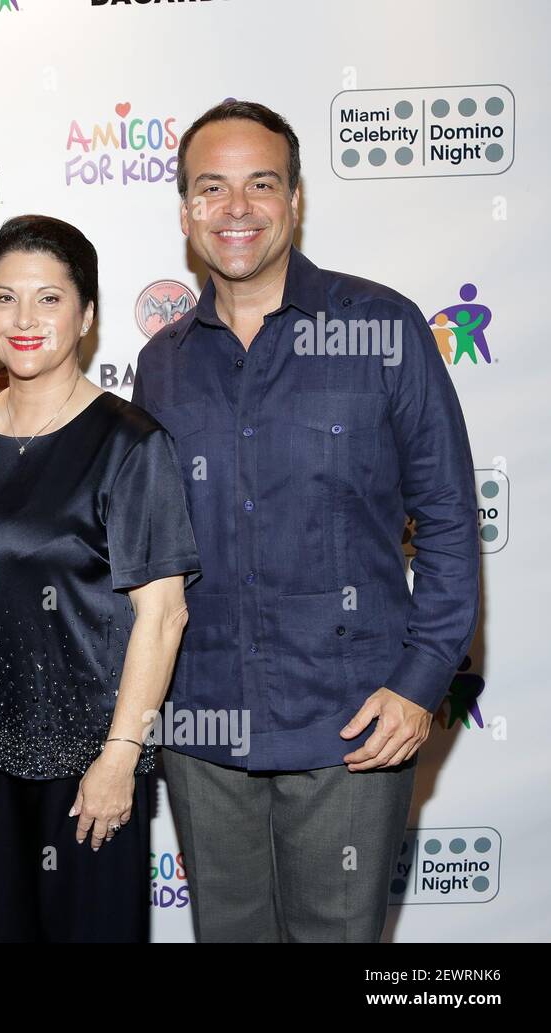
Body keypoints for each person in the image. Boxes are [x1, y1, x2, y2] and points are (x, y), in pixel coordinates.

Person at [133, 100, 480, 942]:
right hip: (203, 725)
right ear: (185, 212)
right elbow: (139, 543)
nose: (237, 207)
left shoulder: (382, 328)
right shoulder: (161, 365)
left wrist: (422, 679)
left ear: (295, 199)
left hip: (352, 723)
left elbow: (447, 516)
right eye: (212, 188)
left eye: (261, 183)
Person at [0, 215, 200, 942]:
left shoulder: (129, 443)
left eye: (49, 298)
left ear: (87, 316)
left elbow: (163, 615)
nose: (24, 318)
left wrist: (120, 755)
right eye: (5, 297)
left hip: (85, 767)